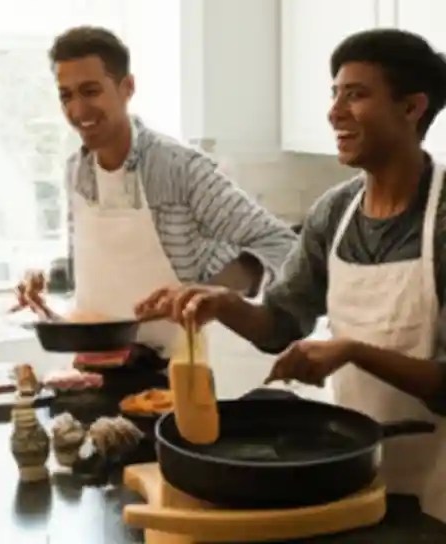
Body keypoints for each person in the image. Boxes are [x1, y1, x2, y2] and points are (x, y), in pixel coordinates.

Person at [135, 28, 446, 521]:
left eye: (356, 94)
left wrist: (352, 351)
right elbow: (281, 325)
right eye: (334, 94)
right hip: (350, 467)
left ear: (411, 108)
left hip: (438, 486)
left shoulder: (441, 219)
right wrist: (226, 304)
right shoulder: (334, 213)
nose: (334, 112)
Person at [14, 26, 297, 356]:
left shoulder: (179, 169)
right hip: (95, 365)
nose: (77, 110)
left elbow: (284, 246)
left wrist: (219, 291)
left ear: (127, 88)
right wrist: (46, 279)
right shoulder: (75, 171)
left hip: (174, 366)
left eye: (90, 91)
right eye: (66, 96)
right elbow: (104, 268)